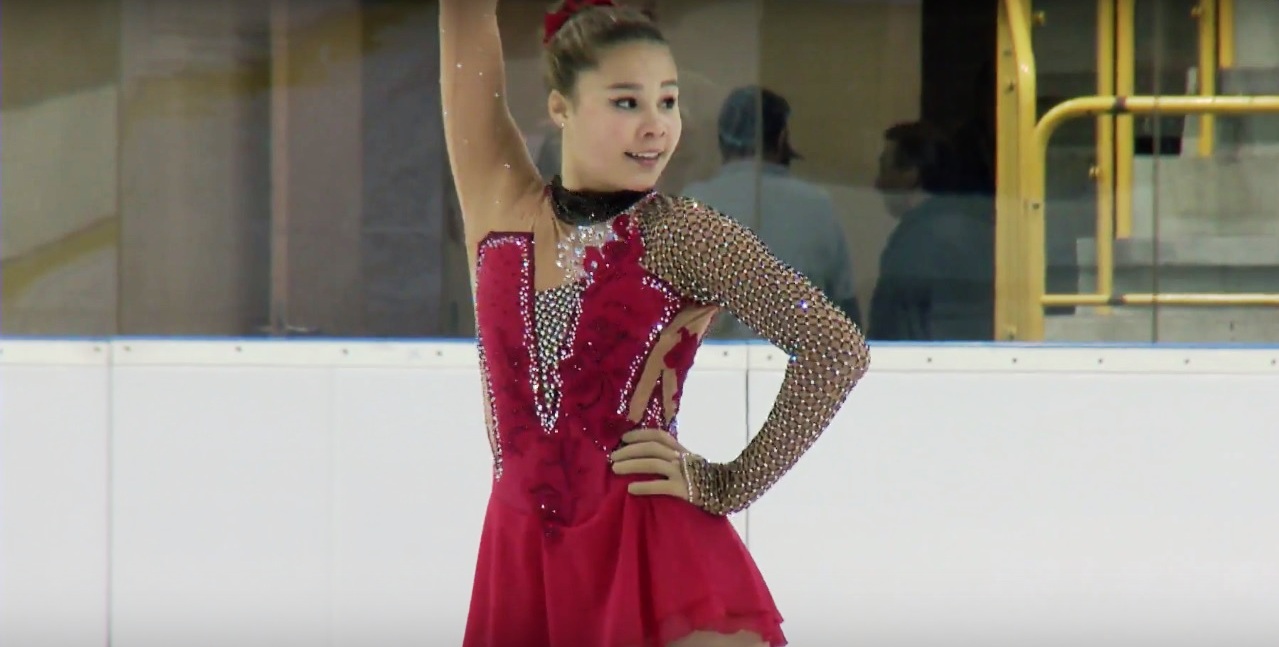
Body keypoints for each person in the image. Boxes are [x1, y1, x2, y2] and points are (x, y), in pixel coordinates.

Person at [440, 2, 870, 646]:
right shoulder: (500, 200)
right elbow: (465, 21)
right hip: (521, 558)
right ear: (560, 109)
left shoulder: (683, 237)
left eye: (667, 102)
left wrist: (730, 483)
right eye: (625, 103)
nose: (655, 128)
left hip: (652, 555)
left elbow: (836, 348)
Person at [683, 86, 862, 337]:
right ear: (781, 139)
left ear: (721, 140)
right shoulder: (817, 205)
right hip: (799, 368)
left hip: (713, 369)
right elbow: (846, 312)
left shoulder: (694, 203)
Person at [869, 121, 995, 340]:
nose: (878, 183)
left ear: (911, 174)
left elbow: (892, 329)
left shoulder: (916, 241)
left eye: (884, 168)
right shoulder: (987, 230)